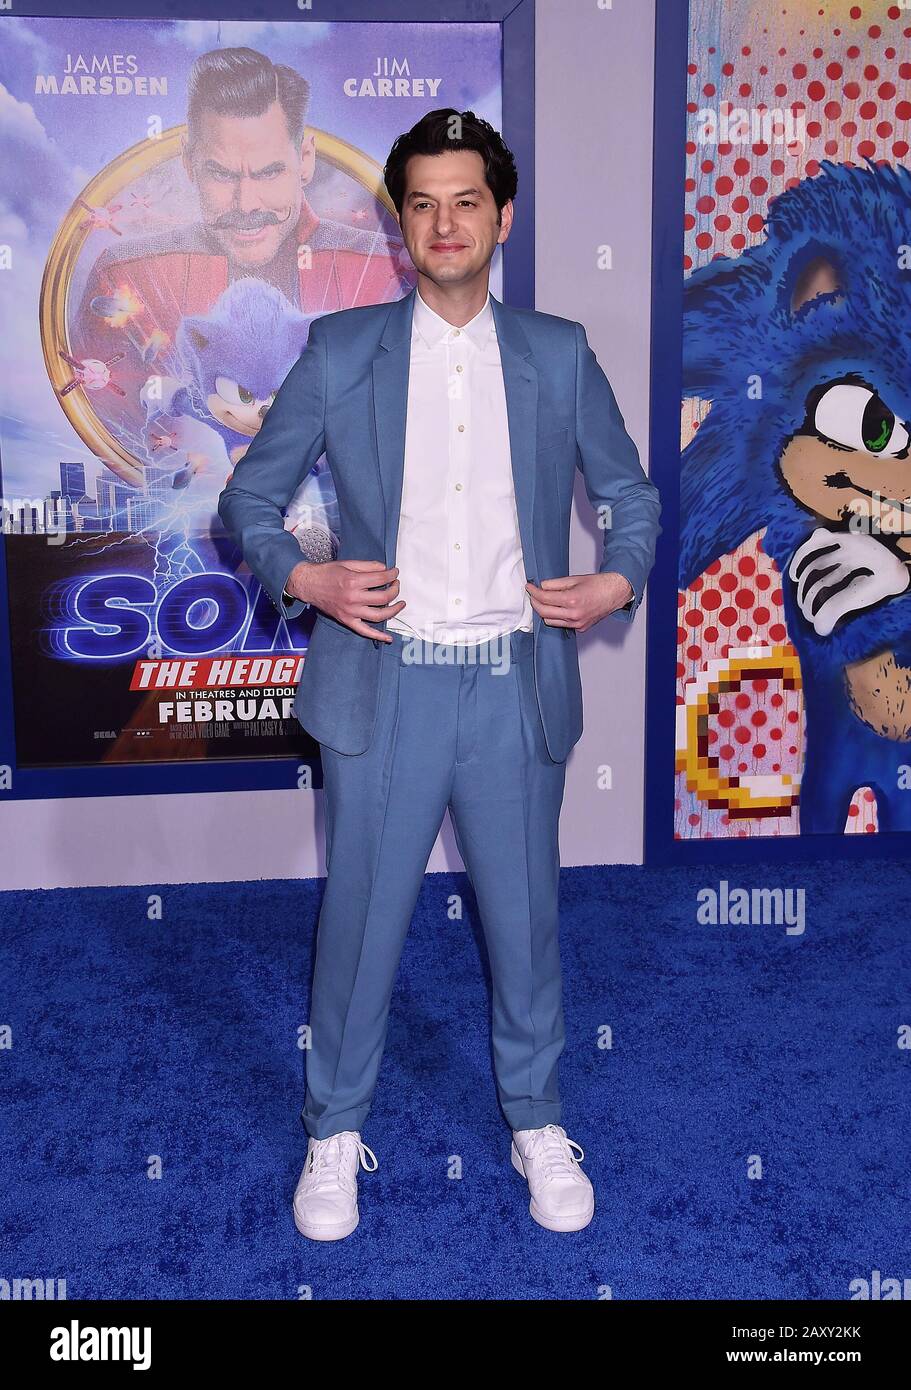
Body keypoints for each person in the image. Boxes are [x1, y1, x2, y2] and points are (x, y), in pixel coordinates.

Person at [218, 108, 662, 1240]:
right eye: (422, 202)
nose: (444, 222)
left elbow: (632, 493)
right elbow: (248, 501)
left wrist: (615, 578)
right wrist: (306, 582)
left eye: (466, 200)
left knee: (525, 921)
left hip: (512, 686)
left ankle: (535, 1116)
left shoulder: (556, 351)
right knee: (360, 920)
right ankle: (332, 1133)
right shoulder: (339, 348)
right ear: (399, 219)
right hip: (385, 683)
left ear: (501, 217)